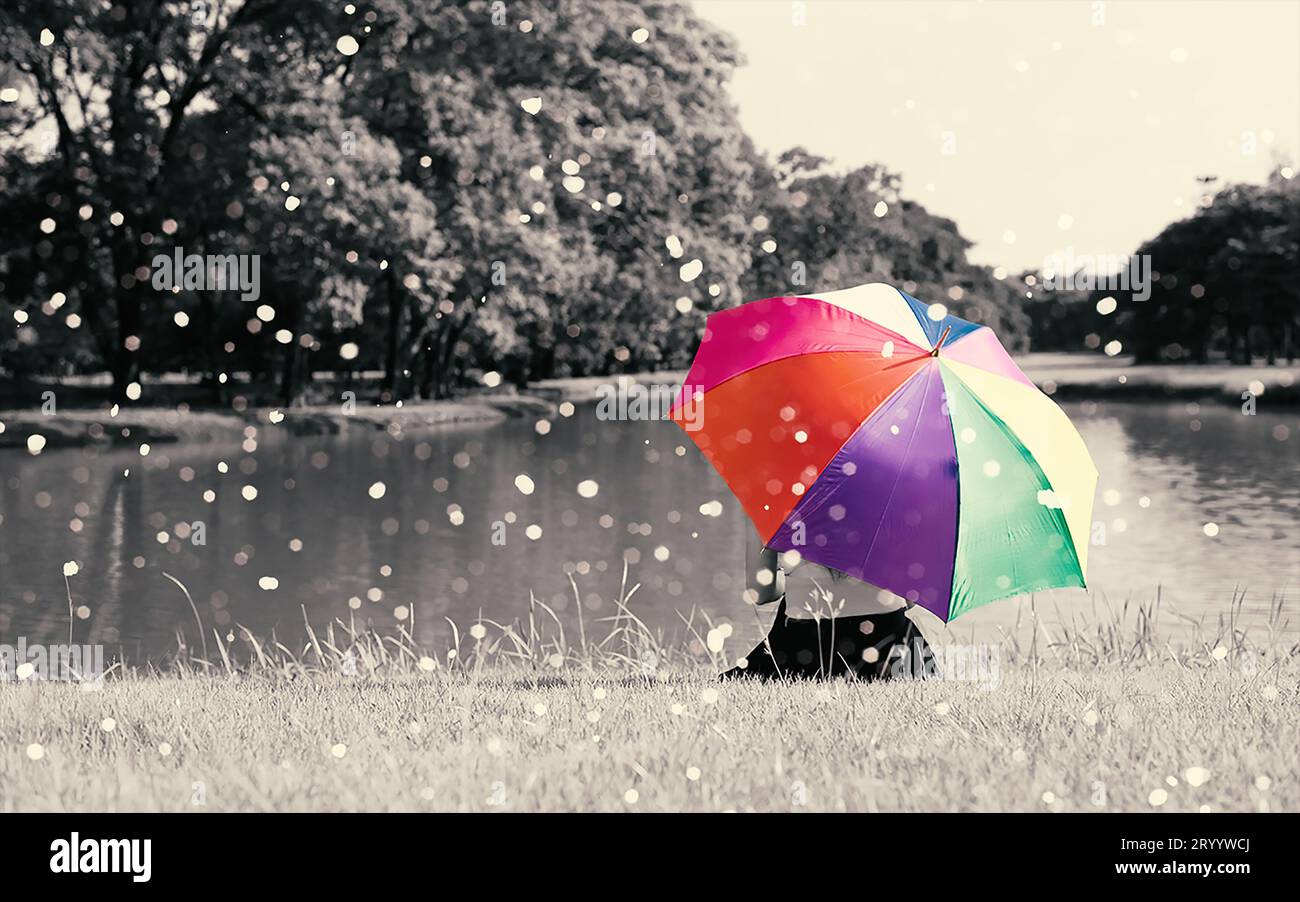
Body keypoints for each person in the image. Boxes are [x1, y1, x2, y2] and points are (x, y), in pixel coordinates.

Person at [722, 540, 938, 682]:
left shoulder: (774, 488)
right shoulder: (899, 486)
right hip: (890, 643)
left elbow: (761, 593)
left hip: (804, 646)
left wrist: (797, 580)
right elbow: (910, 598)